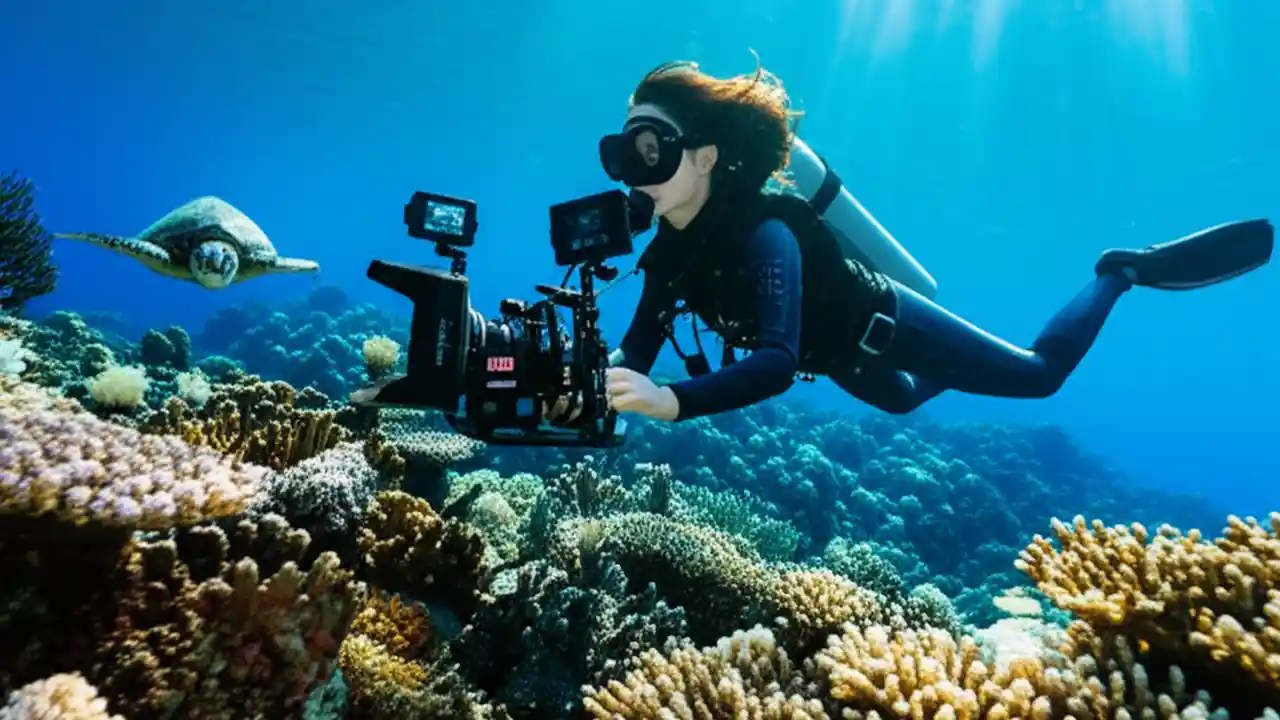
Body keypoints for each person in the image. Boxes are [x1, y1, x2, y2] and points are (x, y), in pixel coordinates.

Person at [554, 59, 1273, 424]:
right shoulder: (672, 251)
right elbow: (636, 352)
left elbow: (773, 364)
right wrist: (583, 384)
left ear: (705, 156)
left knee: (1038, 375)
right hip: (834, 352)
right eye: (622, 154)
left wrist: (672, 403)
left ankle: (1120, 272)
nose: (631, 172)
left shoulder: (765, 229)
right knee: (900, 403)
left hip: (882, 320)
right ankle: (961, 357)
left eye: (650, 149)